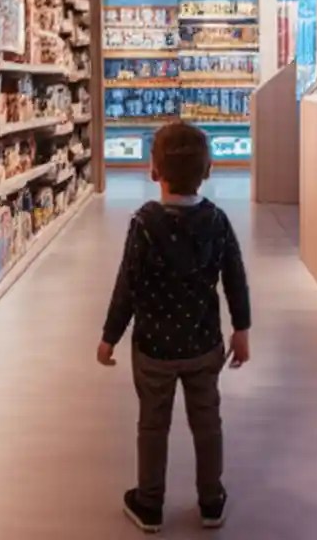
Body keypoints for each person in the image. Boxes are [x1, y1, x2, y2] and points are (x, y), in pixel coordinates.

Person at [97, 121, 252, 534]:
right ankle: (211, 500)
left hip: (153, 348)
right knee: (207, 421)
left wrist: (110, 336)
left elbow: (127, 285)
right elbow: (234, 277)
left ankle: (149, 503)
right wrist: (242, 329)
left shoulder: (144, 223)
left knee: (152, 423)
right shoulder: (216, 221)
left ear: (153, 171)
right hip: (203, 344)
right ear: (209, 170)